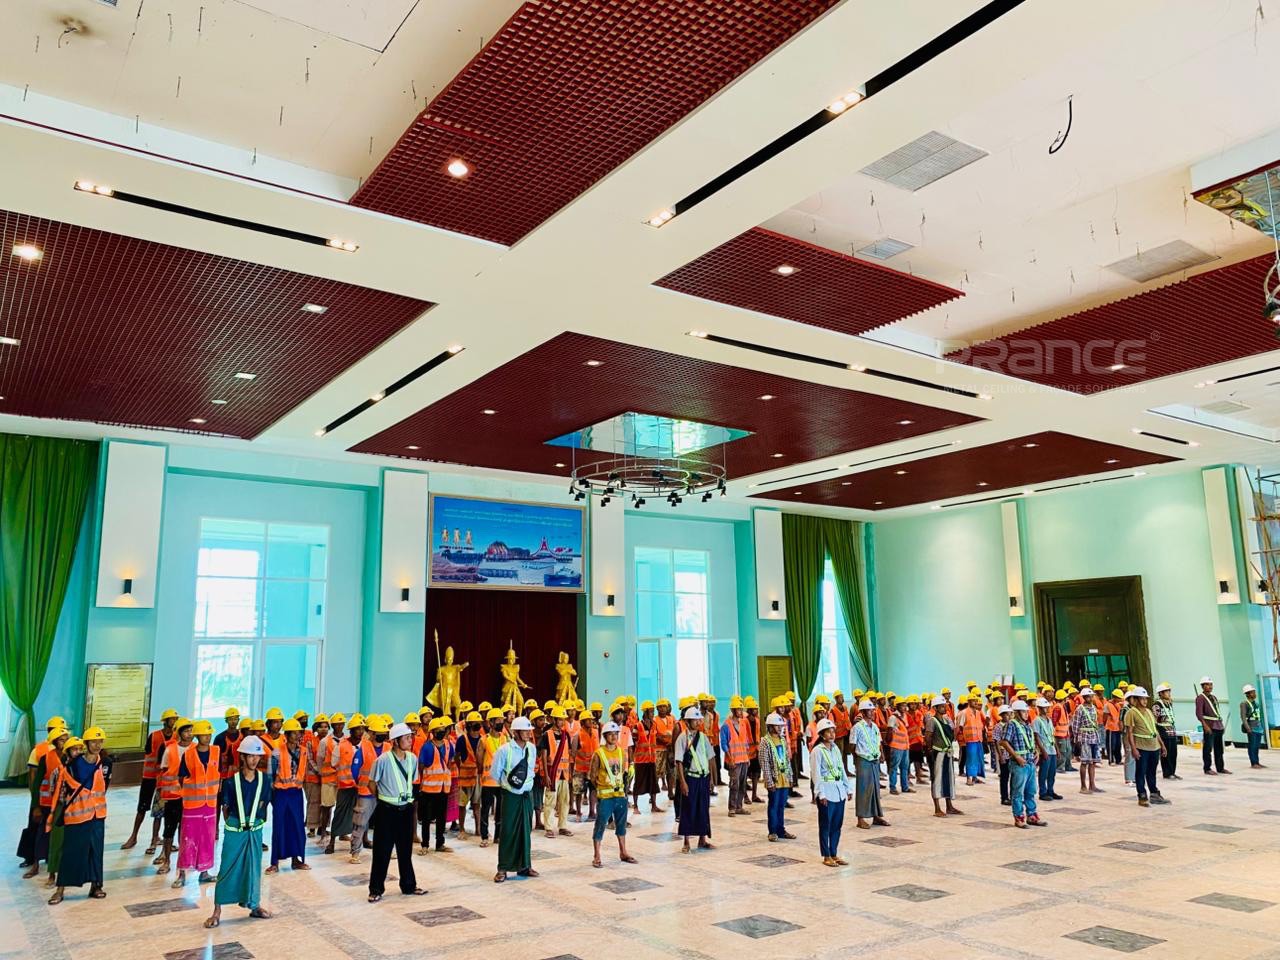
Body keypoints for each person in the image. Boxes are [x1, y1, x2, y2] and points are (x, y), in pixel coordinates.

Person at [205, 734, 272, 927]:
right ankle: (217, 911)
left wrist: (254, 822)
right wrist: (236, 825)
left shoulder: (265, 780)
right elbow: (225, 809)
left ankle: (254, 904)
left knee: (254, 867)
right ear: (242, 757)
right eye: (250, 755)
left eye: (257, 756)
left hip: (255, 831)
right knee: (227, 867)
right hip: (235, 830)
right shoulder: (230, 782)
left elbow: (264, 804)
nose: (254, 759)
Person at [367, 723, 427, 902]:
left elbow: (412, 780)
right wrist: (383, 798)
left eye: (410, 737)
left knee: (405, 850)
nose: (410, 740)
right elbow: (372, 783)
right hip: (386, 811)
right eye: (406, 738)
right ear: (395, 741)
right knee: (382, 851)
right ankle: (376, 889)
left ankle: (409, 885)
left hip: (405, 810)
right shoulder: (382, 760)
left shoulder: (412, 759)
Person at [48, 729, 108, 905]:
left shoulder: (104, 763)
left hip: (97, 815)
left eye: (100, 742)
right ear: (86, 744)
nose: (97, 745)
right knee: (71, 852)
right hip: (76, 815)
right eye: (94, 742)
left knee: (96, 851)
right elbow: (60, 790)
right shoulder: (73, 764)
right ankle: (60, 889)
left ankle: (96, 885)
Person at [490, 715, 538, 883]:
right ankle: (502, 868)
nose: (528, 733)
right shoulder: (504, 750)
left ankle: (525, 865)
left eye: (529, 730)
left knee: (526, 830)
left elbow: (531, 770)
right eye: (525, 731)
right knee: (508, 831)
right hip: (510, 796)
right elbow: (495, 773)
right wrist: (508, 787)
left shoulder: (532, 748)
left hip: (527, 795)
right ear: (515, 732)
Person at [123, 708, 178, 853]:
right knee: (142, 808)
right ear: (165, 721)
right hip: (149, 777)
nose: (174, 722)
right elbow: (149, 753)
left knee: (163, 810)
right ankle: (133, 836)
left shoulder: (177, 737)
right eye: (172, 719)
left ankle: (159, 838)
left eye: (175, 719)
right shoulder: (154, 736)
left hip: (164, 780)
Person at [173, 720, 220, 888]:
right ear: (197, 736)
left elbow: (219, 774)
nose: (207, 737)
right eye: (204, 735)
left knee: (207, 838)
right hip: (192, 805)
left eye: (209, 734)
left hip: (210, 804)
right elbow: (181, 777)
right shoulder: (189, 754)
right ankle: (182, 873)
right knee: (188, 839)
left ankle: (205, 871)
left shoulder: (216, 752)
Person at [20, 724, 68, 879]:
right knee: (40, 833)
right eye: (61, 740)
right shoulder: (45, 758)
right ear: (54, 741)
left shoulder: (70, 757)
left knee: (59, 836)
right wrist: (36, 806)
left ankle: (55, 866)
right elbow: (36, 783)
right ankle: (35, 864)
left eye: (66, 739)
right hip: (46, 803)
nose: (64, 742)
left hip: (62, 804)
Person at [589, 721, 638, 868]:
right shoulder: (599, 753)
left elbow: (622, 773)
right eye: (610, 734)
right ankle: (597, 855)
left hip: (620, 795)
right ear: (605, 736)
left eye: (615, 734)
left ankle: (623, 852)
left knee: (621, 824)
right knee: (600, 824)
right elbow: (592, 776)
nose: (613, 736)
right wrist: (601, 787)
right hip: (605, 797)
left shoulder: (621, 752)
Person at [267, 718, 310, 874]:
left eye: (299, 732)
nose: (297, 735)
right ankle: (274, 862)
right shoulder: (277, 751)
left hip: (296, 793)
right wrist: (272, 794)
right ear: (287, 734)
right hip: (281, 793)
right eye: (294, 732)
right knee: (279, 826)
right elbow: (270, 775)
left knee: (297, 827)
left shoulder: (304, 750)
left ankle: (297, 860)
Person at [156, 718, 195, 875]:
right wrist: (161, 795)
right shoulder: (170, 749)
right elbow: (163, 771)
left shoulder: (195, 749)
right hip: (172, 797)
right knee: (169, 830)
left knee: (185, 831)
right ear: (179, 733)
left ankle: (183, 861)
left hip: (190, 798)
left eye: (191, 731)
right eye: (186, 731)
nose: (189, 734)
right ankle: (166, 860)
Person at [810, 718, 850, 867]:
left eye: (833, 731)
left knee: (836, 825)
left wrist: (847, 788)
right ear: (821, 734)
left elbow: (841, 768)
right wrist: (820, 794)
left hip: (839, 791)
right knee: (825, 825)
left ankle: (834, 852)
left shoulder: (835, 748)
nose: (832, 734)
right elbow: (816, 774)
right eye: (828, 732)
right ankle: (826, 855)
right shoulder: (817, 751)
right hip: (826, 792)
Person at [674, 706, 714, 853]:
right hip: (690, 778)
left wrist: (711, 779)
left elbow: (710, 758)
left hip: (703, 777)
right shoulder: (682, 738)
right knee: (688, 809)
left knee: (703, 808)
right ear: (687, 722)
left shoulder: (703, 737)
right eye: (694, 720)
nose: (698, 722)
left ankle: (702, 839)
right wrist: (682, 782)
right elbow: (679, 762)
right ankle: (686, 842)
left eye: (699, 720)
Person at [350, 716, 390, 863]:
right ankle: (355, 852)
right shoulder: (363, 748)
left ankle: (386, 850)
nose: (382, 736)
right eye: (379, 733)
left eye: (384, 733)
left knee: (386, 824)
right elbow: (355, 770)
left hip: (385, 792)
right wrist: (361, 783)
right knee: (360, 823)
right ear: (372, 734)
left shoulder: (389, 748)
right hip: (366, 792)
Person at [1001, 701, 1046, 828]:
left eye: (1027, 711)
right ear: (1016, 713)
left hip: (1030, 762)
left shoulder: (1027, 726)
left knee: (1031, 791)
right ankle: (1019, 817)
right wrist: (1016, 756)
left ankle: (1032, 815)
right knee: (1018, 792)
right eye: (1023, 712)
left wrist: (1036, 751)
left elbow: (1031, 741)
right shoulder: (1011, 725)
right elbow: (1004, 742)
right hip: (1019, 764)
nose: (1026, 714)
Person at [1123, 687, 1168, 807]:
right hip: (1141, 747)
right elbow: (1129, 733)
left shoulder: (1149, 711)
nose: (1144, 701)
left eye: (1145, 699)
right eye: (1142, 699)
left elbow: (1154, 730)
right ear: (1136, 699)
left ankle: (1154, 793)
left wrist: (1162, 745)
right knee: (1141, 772)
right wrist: (1133, 749)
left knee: (1152, 772)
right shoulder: (1131, 713)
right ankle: (1142, 795)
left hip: (1154, 746)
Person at [325, 714, 363, 856]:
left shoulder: (365, 745)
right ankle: (332, 842)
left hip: (361, 786)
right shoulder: (341, 745)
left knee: (359, 815)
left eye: (362, 729)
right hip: (345, 786)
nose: (360, 732)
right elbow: (334, 763)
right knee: (340, 813)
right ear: (351, 730)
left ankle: (359, 842)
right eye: (357, 729)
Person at [417, 716, 454, 853]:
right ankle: (425, 845)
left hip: (444, 788)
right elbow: (421, 766)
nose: (441, 732)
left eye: (442, 729)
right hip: (429, 789)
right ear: (432, 732)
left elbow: (449, 762)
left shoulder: (449, 745)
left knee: (441, 817)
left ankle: (440, 843)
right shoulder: (427, 747)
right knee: (426, 819)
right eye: (438, 730)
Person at [852, 700, 889, 829]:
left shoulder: (874, 726)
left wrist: (881, 754)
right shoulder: (857, 727)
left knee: (875, 789)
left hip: (874, 760)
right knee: (863, 789)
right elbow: (852, 745)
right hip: (863, 760)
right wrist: (858, 759)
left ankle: (876, 815)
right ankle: (860, 818)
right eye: (870, 710)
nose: (873, 712)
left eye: (873, 710)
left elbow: (878, 742)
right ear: (862, 712)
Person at [924, 696, 963, 817]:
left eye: (944, 706)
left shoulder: (946, 719)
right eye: (941, 706)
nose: (944, 708)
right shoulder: (932, 721)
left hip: (947, 753)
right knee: (936, 780)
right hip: (938, 753)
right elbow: (928, 737)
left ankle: (949, 806)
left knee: (948, 779)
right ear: (935, 708)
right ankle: (937, 808)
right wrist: (930, 750)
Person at [759, 713, 795, 841]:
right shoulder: (765, 742)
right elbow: (764, 763)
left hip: (784, 778)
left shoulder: (782, 740)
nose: (780, 728)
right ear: (770, 726)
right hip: (774, 779)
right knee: (773, 805)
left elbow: (787, 760)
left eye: (781, 726)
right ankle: (773, 831)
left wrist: (790, 777)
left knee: (781, 805)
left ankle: (781, 830)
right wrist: (769, 781)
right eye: (777, 726)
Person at [477, 707, 507, 848]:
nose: (501, 723)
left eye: (502, 720)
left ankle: (498, 836)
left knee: (500, 811)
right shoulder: (483, 740)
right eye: (498, 720)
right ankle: (484, 836)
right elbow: (479, 760)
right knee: (485, 810)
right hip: (488, 782)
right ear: (491, 723)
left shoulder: (504, 738)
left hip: (501, 781)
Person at [629, 702, 664, 814]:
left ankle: (654, 805)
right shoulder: (638, 726)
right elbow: (633, 743)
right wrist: (632, 759)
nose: (653, 713)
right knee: (638, 783)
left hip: (651, 759)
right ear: (645, 712)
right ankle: (635, 806)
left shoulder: (654, 725)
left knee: (653, 783)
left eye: (653, 711)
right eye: (651, 711)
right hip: (640, 760)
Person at [721, 696, 751, 816]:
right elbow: (724, 744)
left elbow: (746, 742)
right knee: (734, 784)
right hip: (733, 760)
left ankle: (739, 806)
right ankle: (732, 808)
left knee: (743, 784)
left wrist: (747, 757)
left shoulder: (743, 723)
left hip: (744, 759)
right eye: (738, 709)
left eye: (741, 709)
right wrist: (730, 759)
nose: (741, 712)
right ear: (733, 710)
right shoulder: (726, 725)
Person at [1195, 676, 1230, 775]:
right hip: (1209, 726)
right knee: (1208, 748)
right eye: (1207, 684)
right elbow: (1199, 714)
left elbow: (1217, 712)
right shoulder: (1200, 698)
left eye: (1211, 684)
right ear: (1202, 686)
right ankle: (1207, 768)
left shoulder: (1214, 697)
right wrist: (1205, 725)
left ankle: (1220, 767)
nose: (1210, 686)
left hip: (1218, 725)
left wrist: (1221, 725)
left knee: (1219, 749)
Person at [1070, 687, 1103, 794]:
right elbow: (1075, 725)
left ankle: (1092, 785)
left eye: (1092, 696)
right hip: (1084, 737)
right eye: (1089, 696)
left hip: (1094, 736)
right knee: (1084, 762)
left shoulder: (1093, 708)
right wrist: (1077, 739)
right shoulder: (1080, 709)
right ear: (1084, 697)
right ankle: (1083, 786)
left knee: (1092, 762)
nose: (1091, 698)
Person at [571, 712, 599, 823]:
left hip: (593, 768)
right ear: (582, 722)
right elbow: (573, 752)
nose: (591, 721)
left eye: (591, 719)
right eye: (588, 720)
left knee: (593, 789)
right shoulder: (577, 735)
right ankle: (578, 812)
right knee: (579, 791)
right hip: (580, 769)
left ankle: (592, 812)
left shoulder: (596, 732)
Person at [1033, 697, 1062, 801]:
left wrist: (1057, 749)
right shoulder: (1037, 721)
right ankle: (1043, 792)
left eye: (1047, 707)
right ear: (1039, 708)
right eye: (1044, 707)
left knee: (1052, 772)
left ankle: (1050, 790)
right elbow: (1036, 737)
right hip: (1044, 750)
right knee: (1043, 772)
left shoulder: (1049, 720)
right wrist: (1043, 751)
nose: (1047, 709)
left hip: (1051, 749)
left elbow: (1052, 735)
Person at [1152, 685, 1180, 780]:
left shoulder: (1169, 703)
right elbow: (1155, 720)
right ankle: (1167, 773)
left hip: (1172, 731)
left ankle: (1172, 771)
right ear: (1161, 693)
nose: (1169, 693)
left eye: (1169, 691)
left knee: (1173, 753)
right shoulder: (1157, 704)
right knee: (1166, 753)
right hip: (1163, 731)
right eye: (1166, 692)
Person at [887, 699, 913, 795]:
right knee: (894, 767)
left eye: (905, 705)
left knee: (905, 767)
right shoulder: (893, 717)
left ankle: (905, 787)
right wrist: (888, 743)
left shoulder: (904, 716)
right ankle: (892, 787)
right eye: (902, 705)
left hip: (905, 746)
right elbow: (889, 731)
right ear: (897, 706)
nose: (905, 708)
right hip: (896, 747)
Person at [1241, 684, 1266, 769]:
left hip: (1258, 727)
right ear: (1247, 694)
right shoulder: (1244, 704)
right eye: (1252, 692)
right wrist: (1248, 728)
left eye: (1254, 692)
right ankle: (1253, 762)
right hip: (1251, 728)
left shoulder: (1256, 703)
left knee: (1257, 746)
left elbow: (1259, 716)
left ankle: (1257, 762)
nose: (1254, 694)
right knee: (1252, 745)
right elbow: (1243, 717)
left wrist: (1262, 727)